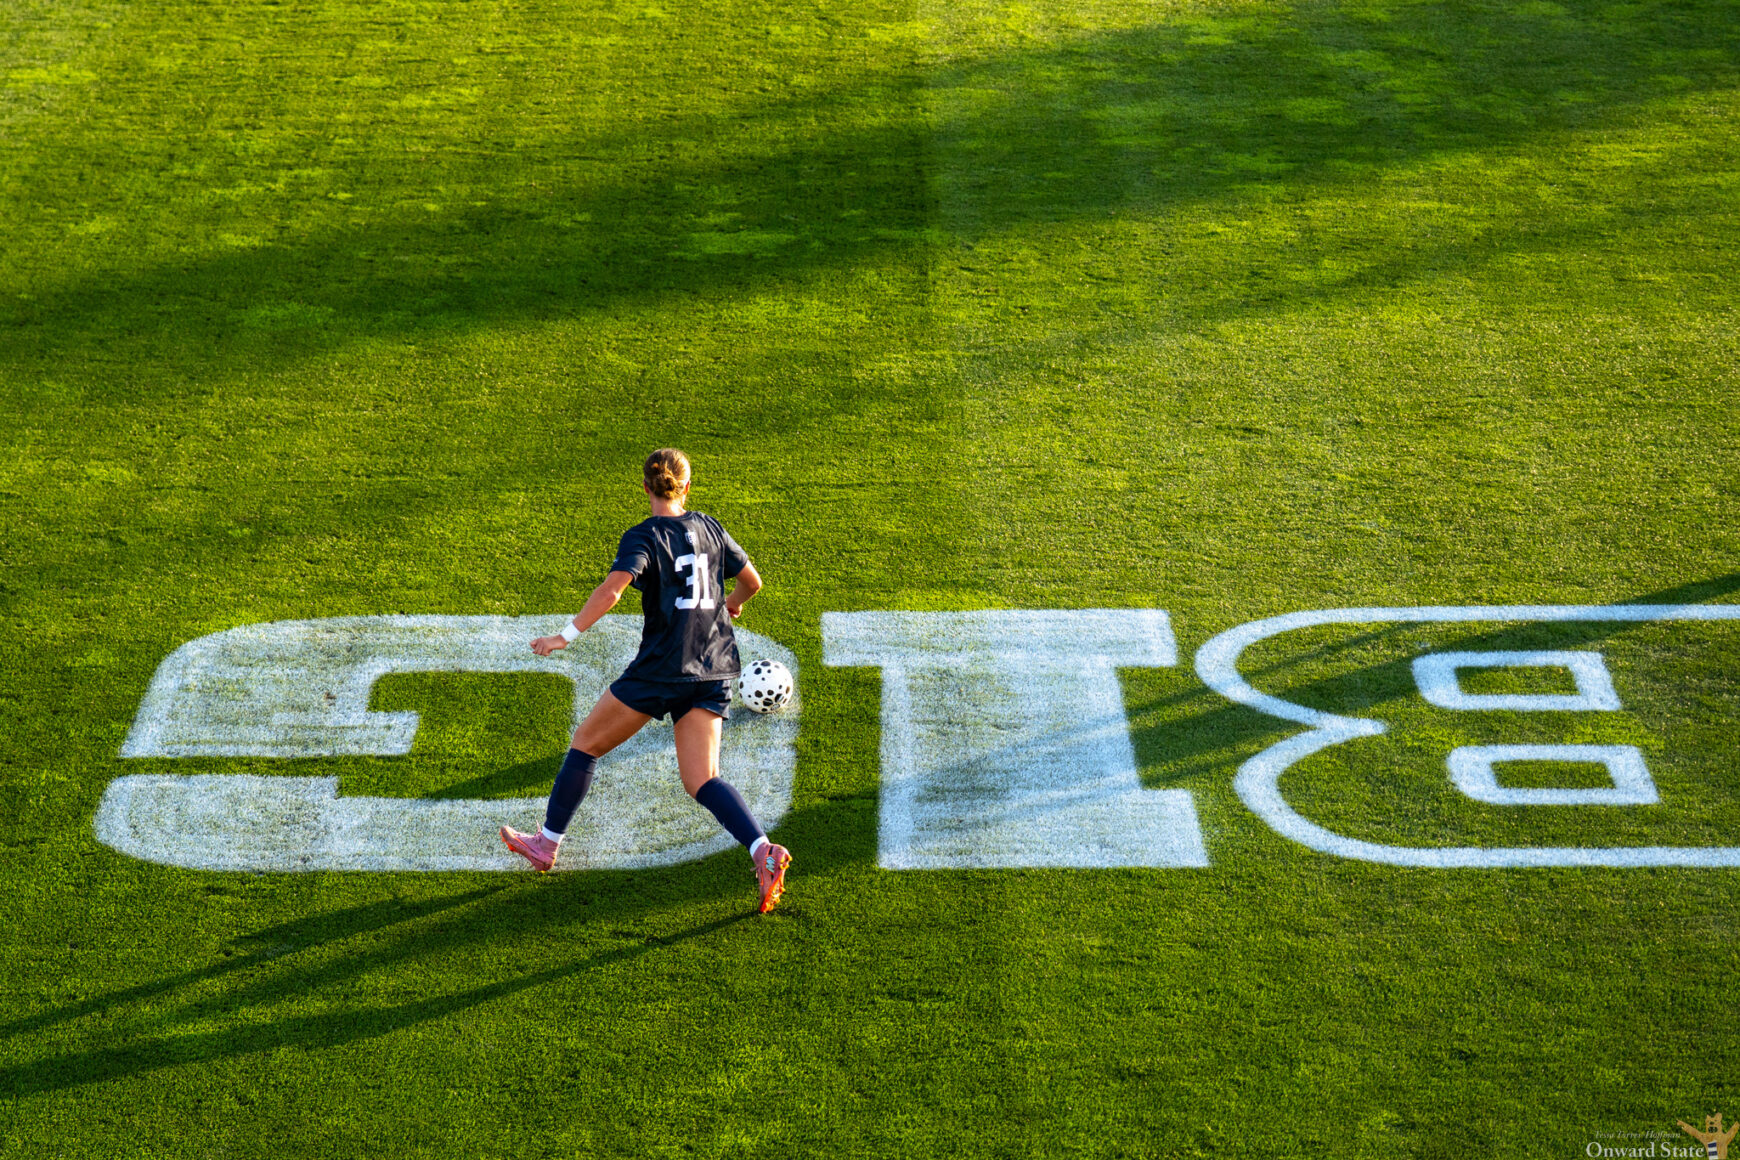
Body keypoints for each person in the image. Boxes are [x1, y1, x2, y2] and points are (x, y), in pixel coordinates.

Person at [499, 448, 792, 913]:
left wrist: (564, 636)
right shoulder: (711, 528)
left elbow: (613, 589)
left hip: (661, 670)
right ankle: (763, 851)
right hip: (714, 668)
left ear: (645, 487)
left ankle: (547, 844)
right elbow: (752, 582)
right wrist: (732, 603)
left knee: (586, 744)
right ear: (687, 487)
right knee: (703, 780)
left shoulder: (644, 536)